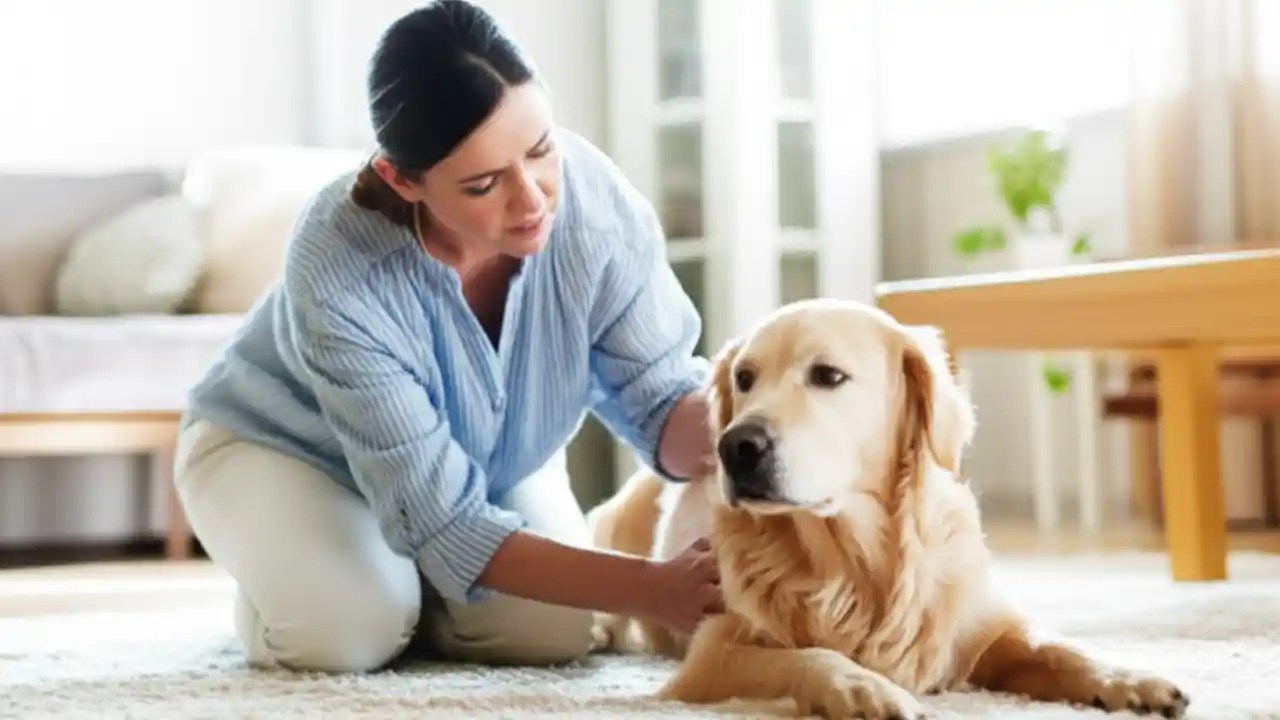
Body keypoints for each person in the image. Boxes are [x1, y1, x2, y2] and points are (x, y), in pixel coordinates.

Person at [173, 0, 722, 674]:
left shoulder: (597, 209)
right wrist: (652, 590)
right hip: (284, 451)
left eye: (541, 149)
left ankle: (406, 588)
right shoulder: (339, 264)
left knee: (552, 633)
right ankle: (307, 583)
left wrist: (763, 428)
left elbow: (661, 398)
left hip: (489, 462)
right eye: (484, 183)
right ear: (402, 180)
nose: (533, 200)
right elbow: (447, 524)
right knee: (348, 631)